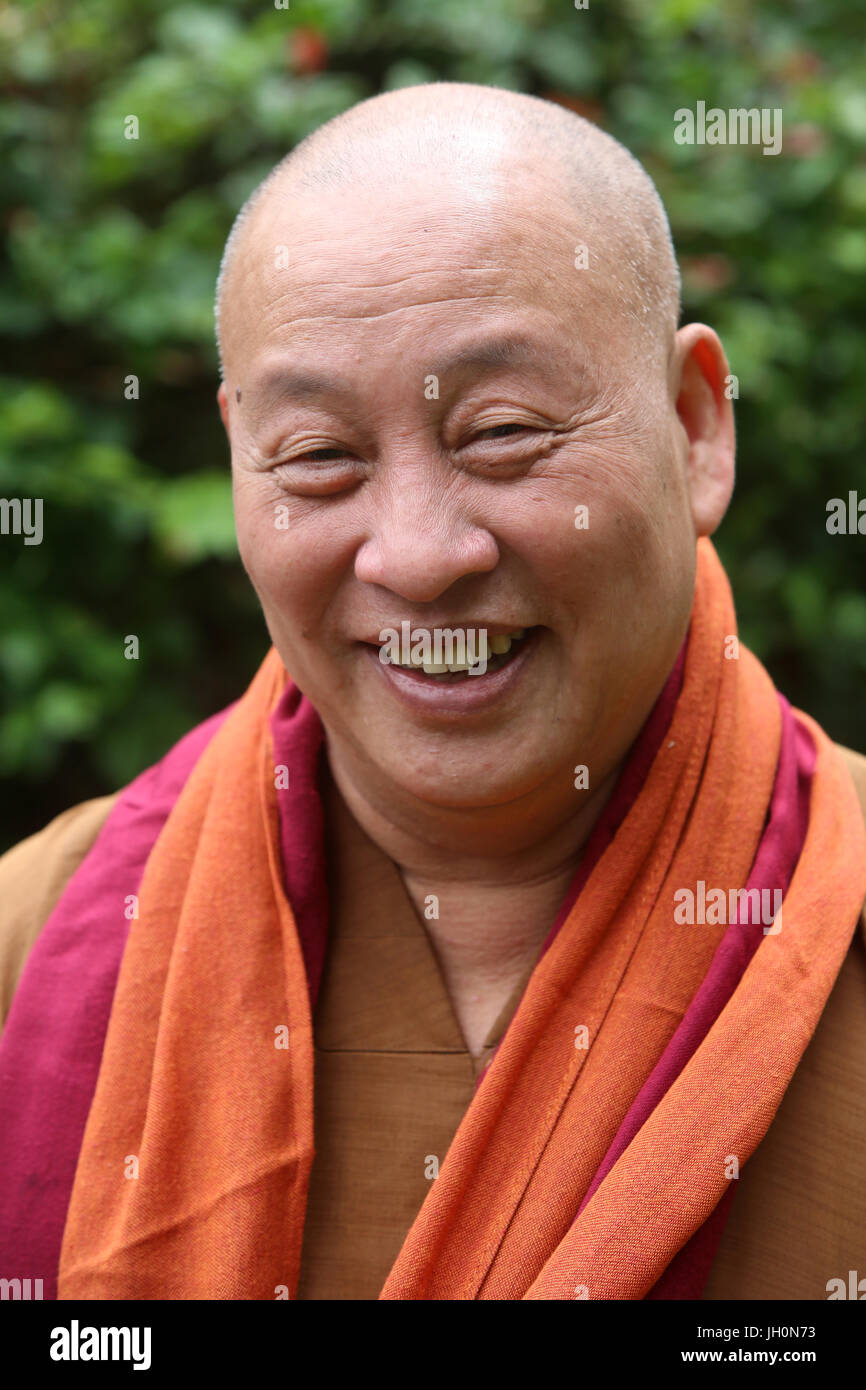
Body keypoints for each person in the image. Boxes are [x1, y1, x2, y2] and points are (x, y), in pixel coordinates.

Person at [1, 81, 864, 1302]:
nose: (413, 554)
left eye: (501, 431)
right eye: (319, 457)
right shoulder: (39, 939)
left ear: (692, 428)